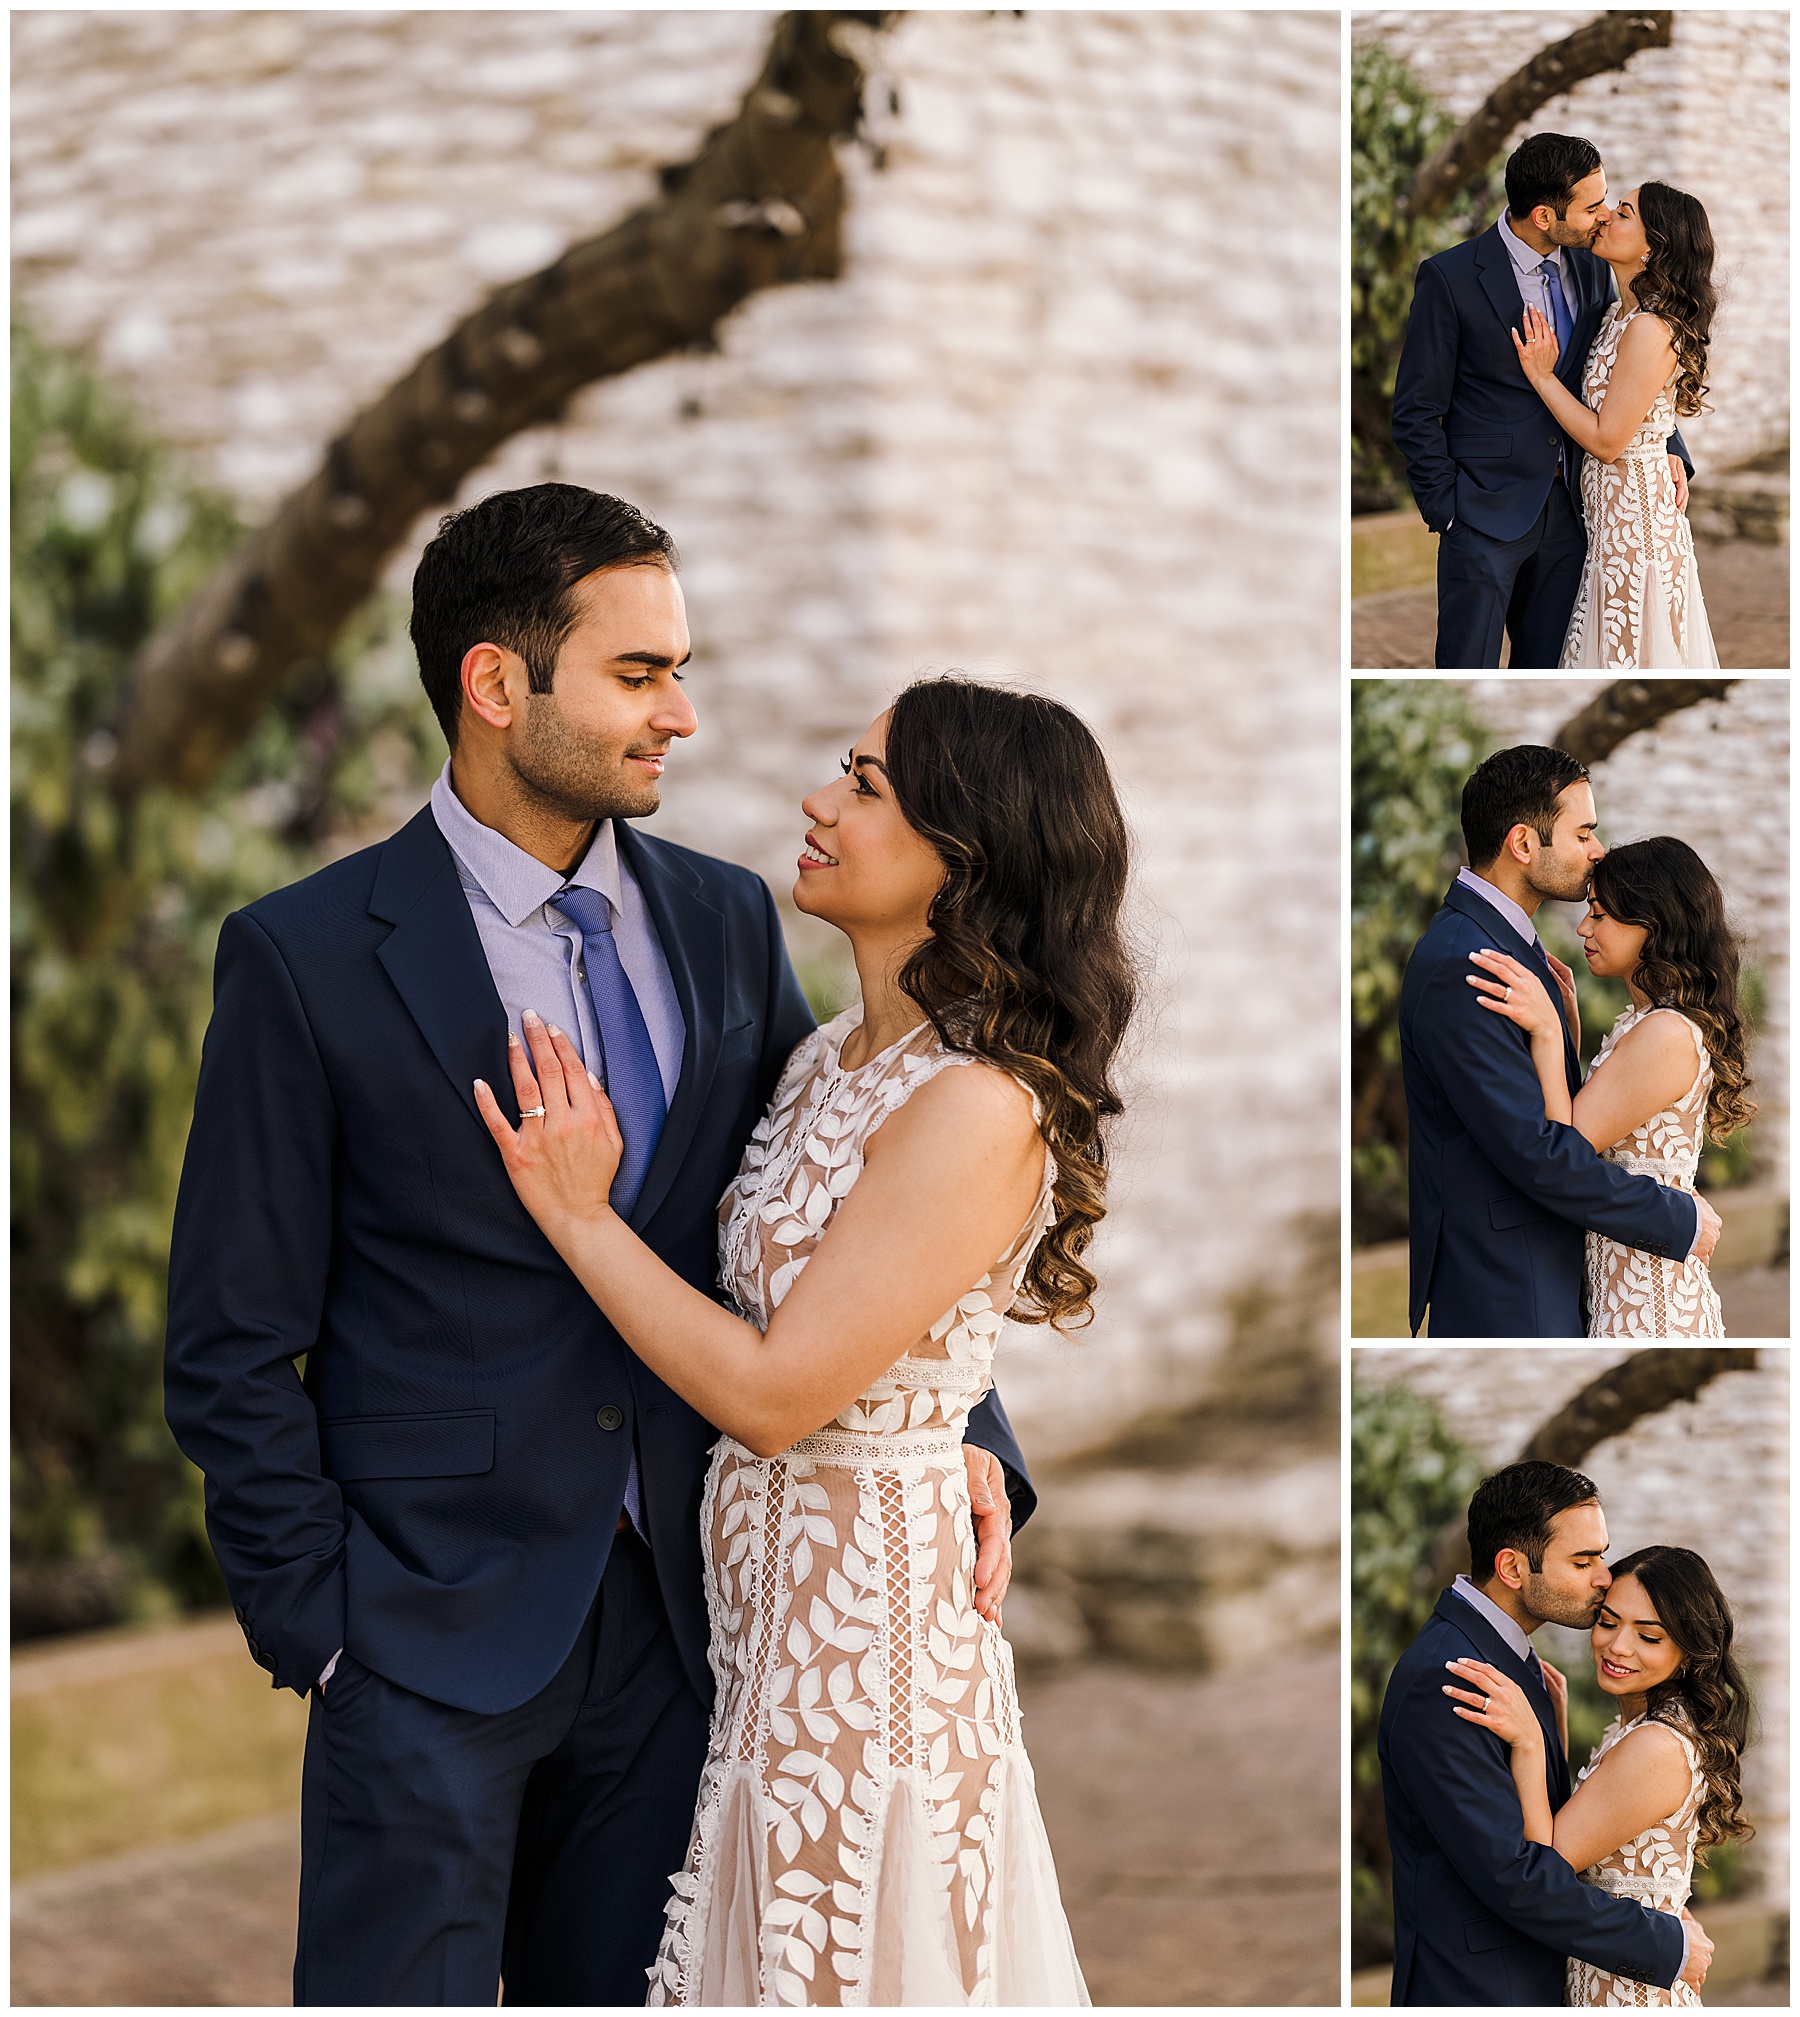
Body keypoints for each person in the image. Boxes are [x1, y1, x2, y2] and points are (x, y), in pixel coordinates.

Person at [163, 485, 1035, 2006]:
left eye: (679, 670)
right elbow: (230, 1338)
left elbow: (823, 1211)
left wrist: (964, 1424)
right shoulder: (303, 960)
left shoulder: (722, 919)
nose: (681, 717)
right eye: (639, 676)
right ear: (499, 686)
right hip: (424, 1637)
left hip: (691, 1639)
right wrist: (325, 1631)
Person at [477, 674, 1127, 2004]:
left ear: (968, 855)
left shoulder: (977, 1105)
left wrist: (577, 1215)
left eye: (866, 786)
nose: (816, 802)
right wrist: (963, 1433)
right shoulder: (826, 1055)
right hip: (759, 1646)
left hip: (869, 1660)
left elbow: (777, 1394)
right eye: (843, 768)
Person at [1398, 745, 1719, 1337]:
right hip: (1510, 1283)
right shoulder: (1463, 962)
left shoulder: (1510, 948)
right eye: (1584, 832)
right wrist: (1677, 1219)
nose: (1597, 851)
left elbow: (1558, 1117)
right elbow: (1537, 1150)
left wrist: (1560, 1034)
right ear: (1523, 844)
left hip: (1561, 1273)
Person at [1379, 1461, 1714, 2005]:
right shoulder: (1449, 1678)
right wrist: (1667, 1942)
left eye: (1601, 1555)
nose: (1604, 1577)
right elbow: (1517, 1874)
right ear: (1512, 1567)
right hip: (1480, 1991)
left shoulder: (1513, 1660)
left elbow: (1561, 1830)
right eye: (1583, 1561)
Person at [1392, 132, 1692, 669]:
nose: (1603, 216)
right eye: (1592, 206)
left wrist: (1670, 447)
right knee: (1467, 666)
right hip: (1483, 516)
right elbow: (1416, 407)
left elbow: (1629, 372)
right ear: (1544, 215)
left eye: (1608, 203)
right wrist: (1449, 511)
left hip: (1578, 518)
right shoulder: (1450, 277)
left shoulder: (1597, 266)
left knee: (1555, 668)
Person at [1443, 1540, 1752, 2007]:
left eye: (1649, 1637)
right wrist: (1555, 1731)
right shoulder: (1638, 1726)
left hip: (1628, 1994)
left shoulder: (1654, 1746)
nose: (1618, 1646)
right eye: (1608, 1622)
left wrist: (1529, 1742)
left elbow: (1542, 1867)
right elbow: (1597, 1831)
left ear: (1689, 1651)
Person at [1465, 835, 1752, 1335]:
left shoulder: (1665, 1032)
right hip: (1618, 1295)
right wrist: (1569, 1030)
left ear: (1652, 925)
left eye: (1599, 915)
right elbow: (1598, 1121)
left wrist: (1549, 1033)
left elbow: (1565, 1148)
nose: (1582, 927)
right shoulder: (1644, 1021)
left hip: (1651, 1306)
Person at [1511, 182, 1720, 666]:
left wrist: (1542, 378)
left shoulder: (1650, 327)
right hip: (1604, 526)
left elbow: (1607, 441)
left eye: (1623, 212)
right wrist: (1665, 439)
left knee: (1630, 650)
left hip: (1636, 527)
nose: (1604, 217)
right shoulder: (1614, 315)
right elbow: (1642, 410)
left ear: (1653, 246)